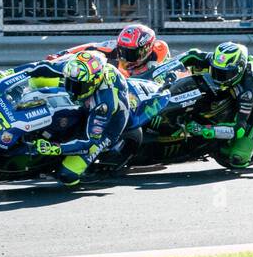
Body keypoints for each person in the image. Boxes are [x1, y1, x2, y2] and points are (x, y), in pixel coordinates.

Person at [12, 50, 133, 188]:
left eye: (78, 86)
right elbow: (41, 67)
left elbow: (90, 142)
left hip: (107, 129)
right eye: (69, 81)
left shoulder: (103, 104)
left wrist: (56, 148)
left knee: (67, 175)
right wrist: (9, 74)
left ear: (93, 83)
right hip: (89, 105)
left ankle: (80, 185)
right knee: (39, 79)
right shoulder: (77, 69)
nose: (71, 88)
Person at [177, 42, 253, 169]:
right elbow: (192, 55)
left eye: (225, 74)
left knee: (238, 158)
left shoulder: (248, 92)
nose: (219, 77)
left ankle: (227, 148)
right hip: (233, 92)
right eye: (216, 71)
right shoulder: (222, 61)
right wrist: (166, 67)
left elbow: (238, 129)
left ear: (239, 70)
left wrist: (204, 130)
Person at [48, 23, 171, 79]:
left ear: (147, 48)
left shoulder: (160, 50)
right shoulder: (114, 47)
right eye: (122, 51)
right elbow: (90, 47)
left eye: (130, 53)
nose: (124, 56)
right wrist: (60, 55)